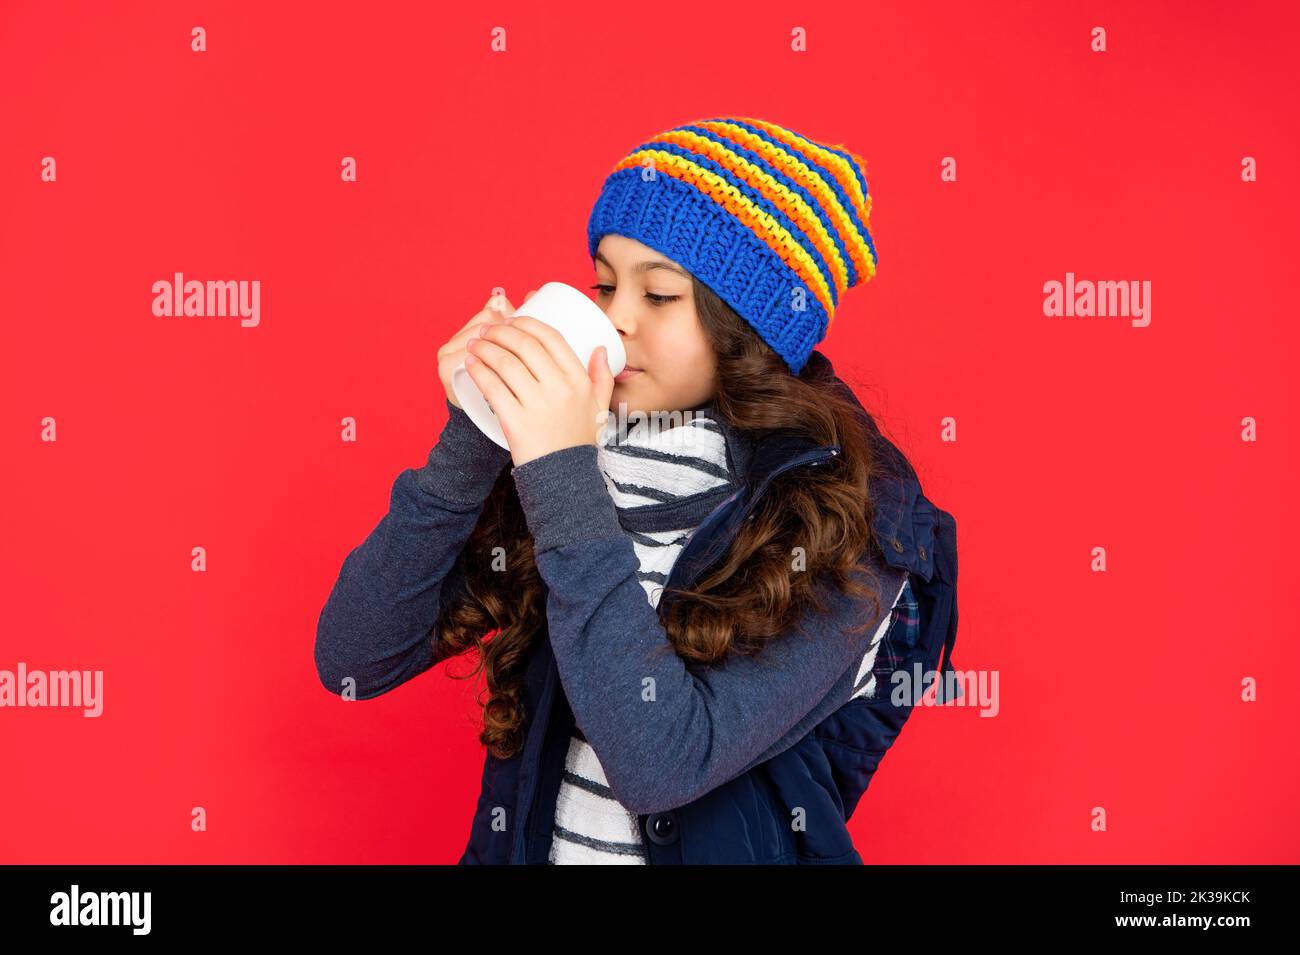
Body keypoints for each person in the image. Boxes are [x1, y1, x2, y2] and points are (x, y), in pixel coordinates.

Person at [315, 116, 960, 864]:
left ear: (746, 325)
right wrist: (476, 430)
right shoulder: (570, 462)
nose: (616, 319)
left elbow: (659, 764)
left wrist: (560, 471)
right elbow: (351, 659)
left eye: (659, 295)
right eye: (605, 283)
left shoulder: (847, 521)